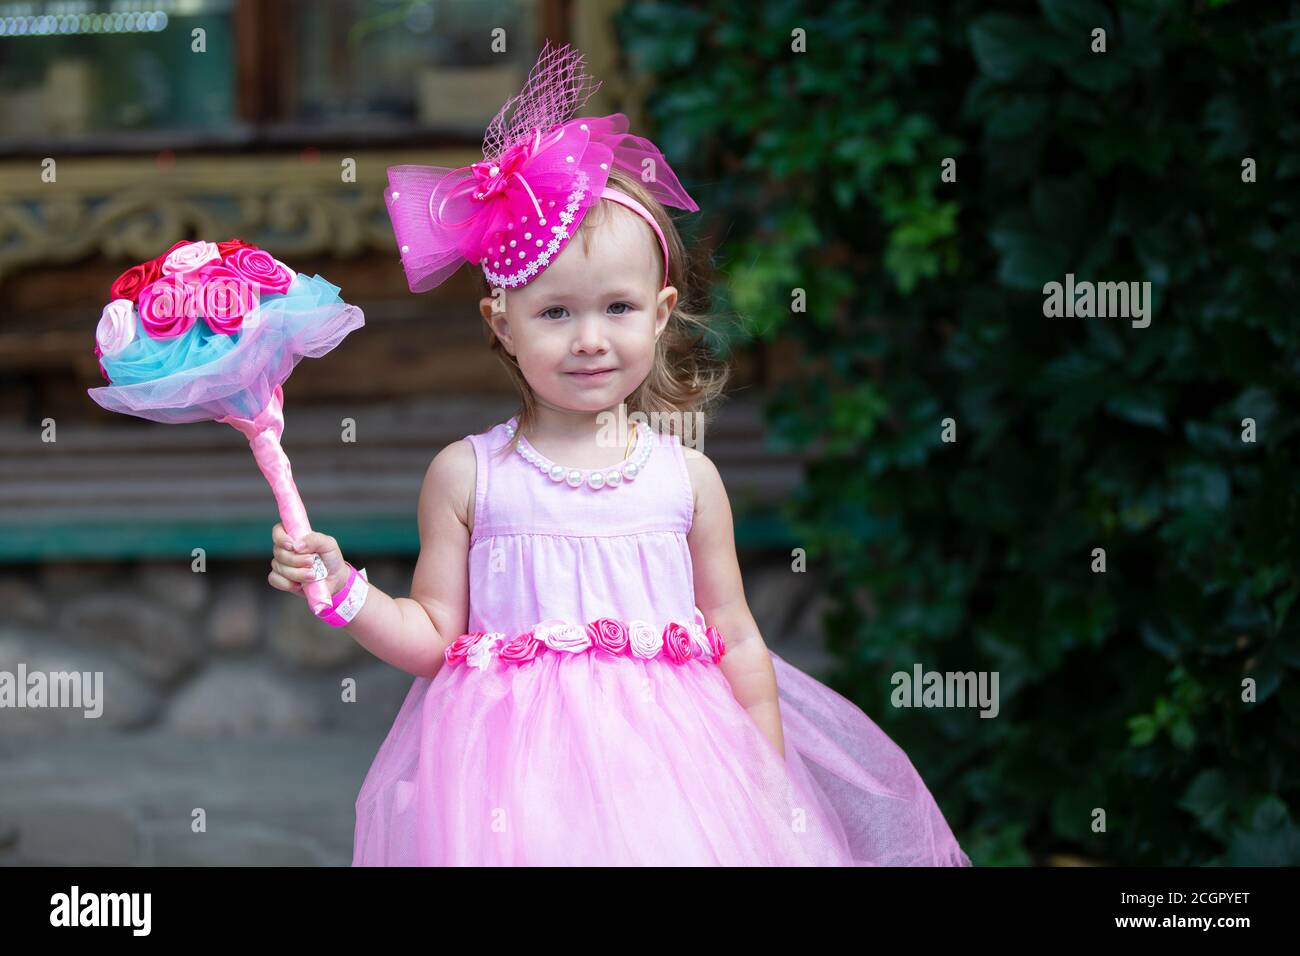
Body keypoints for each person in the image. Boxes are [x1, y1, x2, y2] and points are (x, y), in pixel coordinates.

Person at [269, 42, 970, 866]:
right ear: (502, 322)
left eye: (619, 307)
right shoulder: (470, 476)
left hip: (679, 784)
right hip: (515, 794)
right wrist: (341, 590)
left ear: (662, 311)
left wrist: (766, 778)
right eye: (556, 313)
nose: (591, 339)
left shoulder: (688, 480)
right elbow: (433, 638)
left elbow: (737, 638)